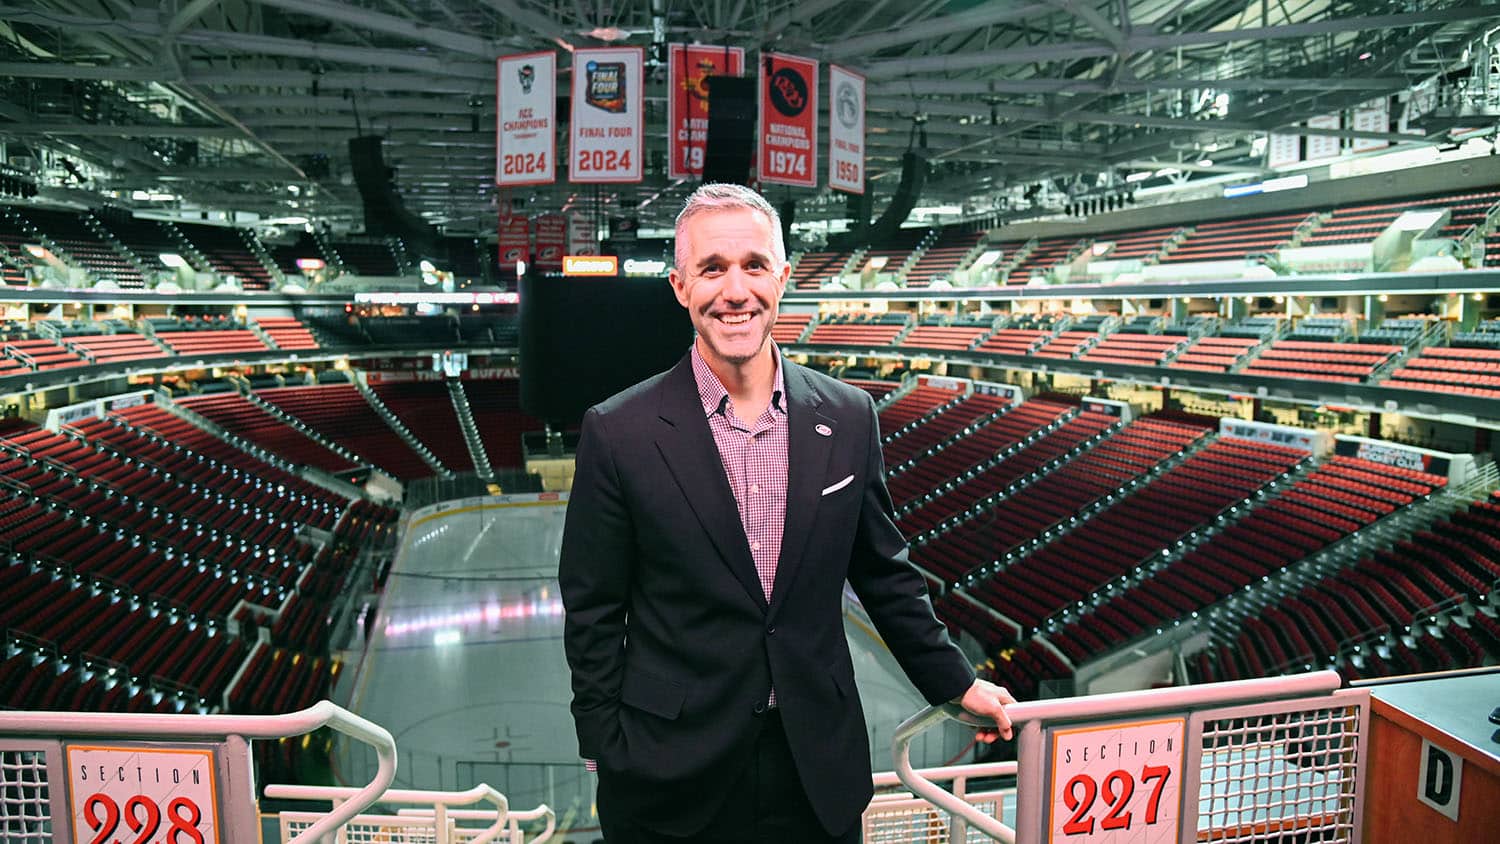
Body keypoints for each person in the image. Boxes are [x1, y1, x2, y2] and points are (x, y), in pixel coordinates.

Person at [559, 182, 1015, 843]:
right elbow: (593, 609)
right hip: (668, 768)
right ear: (681, 287)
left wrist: (956, 682)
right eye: (712, 269)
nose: (735, 291)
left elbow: (885, 575)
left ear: (783, 276)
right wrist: (605, 742)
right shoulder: (619, 430)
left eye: (753, 265)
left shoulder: (849, 416)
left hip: (814, 763)